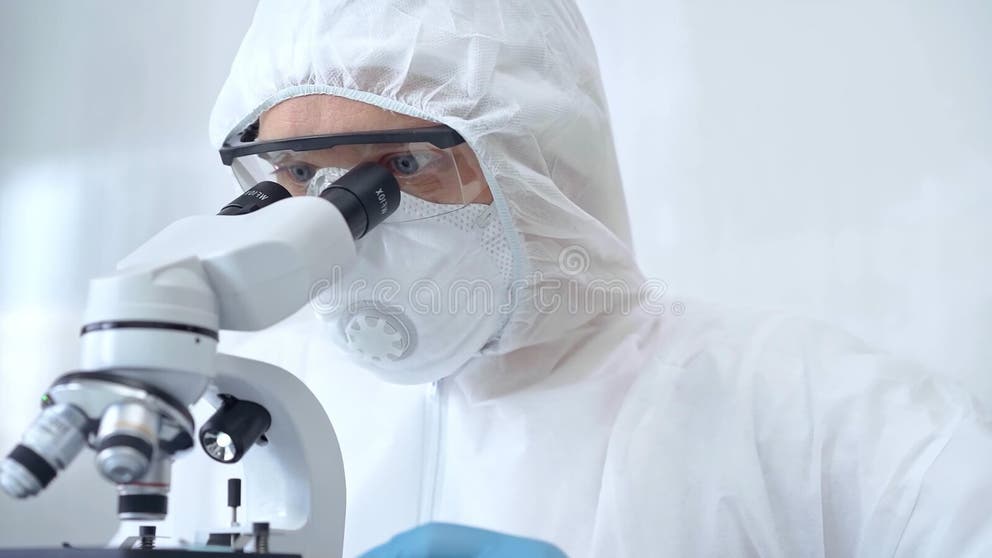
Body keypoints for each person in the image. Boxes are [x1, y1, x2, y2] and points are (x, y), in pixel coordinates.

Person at [210, 0, 992, 556]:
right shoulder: (266, 420)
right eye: (302, 173)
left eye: (404, 166)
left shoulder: (811, 411)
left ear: (535, 157)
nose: (341, 225)